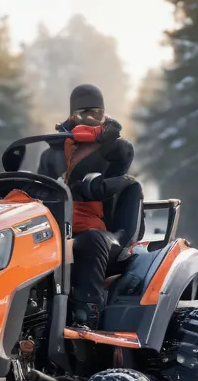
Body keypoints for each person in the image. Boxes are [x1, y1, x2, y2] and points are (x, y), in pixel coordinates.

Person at [38, 84, 143, 328]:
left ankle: (88, 312)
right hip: (56, 227)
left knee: (91, 240)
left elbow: (123, 155)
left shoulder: (114, 150)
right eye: (84, 112)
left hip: (99, 231)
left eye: (96, 112)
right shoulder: (51, 154)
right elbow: (40, 189)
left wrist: (105, 136)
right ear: (72, 114)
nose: (90, 118)